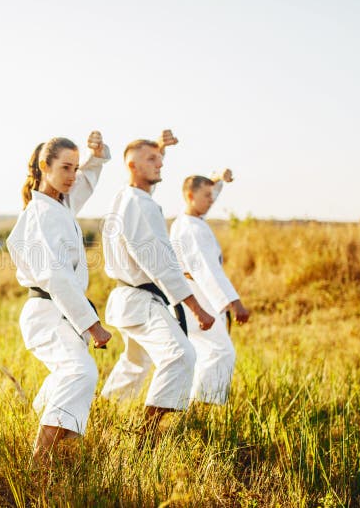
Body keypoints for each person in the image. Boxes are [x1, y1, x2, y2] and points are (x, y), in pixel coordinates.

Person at [99, 130, 216, 433]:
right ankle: (146, 438)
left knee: (135, 364)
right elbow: (159, 261)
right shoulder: (139, 203)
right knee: (180, 355)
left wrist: (159, 148)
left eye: (161, 159)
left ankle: (102, 420)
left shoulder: (124, 199)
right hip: (140, 299)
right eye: (151, 160)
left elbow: (152, 256)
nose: (160, 164)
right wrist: (195, 307)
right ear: (132, 166)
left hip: (128, 299)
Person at [6, 132, 113, 461]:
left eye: (76, 168)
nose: (72, 175)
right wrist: (92, 325)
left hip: (58, 310)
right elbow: (56, 277)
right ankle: (39, 461)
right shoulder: (41, 215)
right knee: (80, 371)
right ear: (44, 166)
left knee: (71, 372)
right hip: (46, 311)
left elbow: (86, 184)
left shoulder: (58, 204)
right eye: (65, 167)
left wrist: (96, 157)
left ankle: (37, 427)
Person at [169, 169, 250, 405]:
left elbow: (208, 188)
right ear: (190, 196)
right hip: (199, 295)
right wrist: (235, 304)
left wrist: (218, 180)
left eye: (212, 195)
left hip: (194, 294)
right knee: (220, 351)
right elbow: (207, 270)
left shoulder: (186, 223)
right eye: (206, 195)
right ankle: (203, 406)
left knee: (206, 352)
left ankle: (195, 403)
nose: (211, 200)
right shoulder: (192, 228)